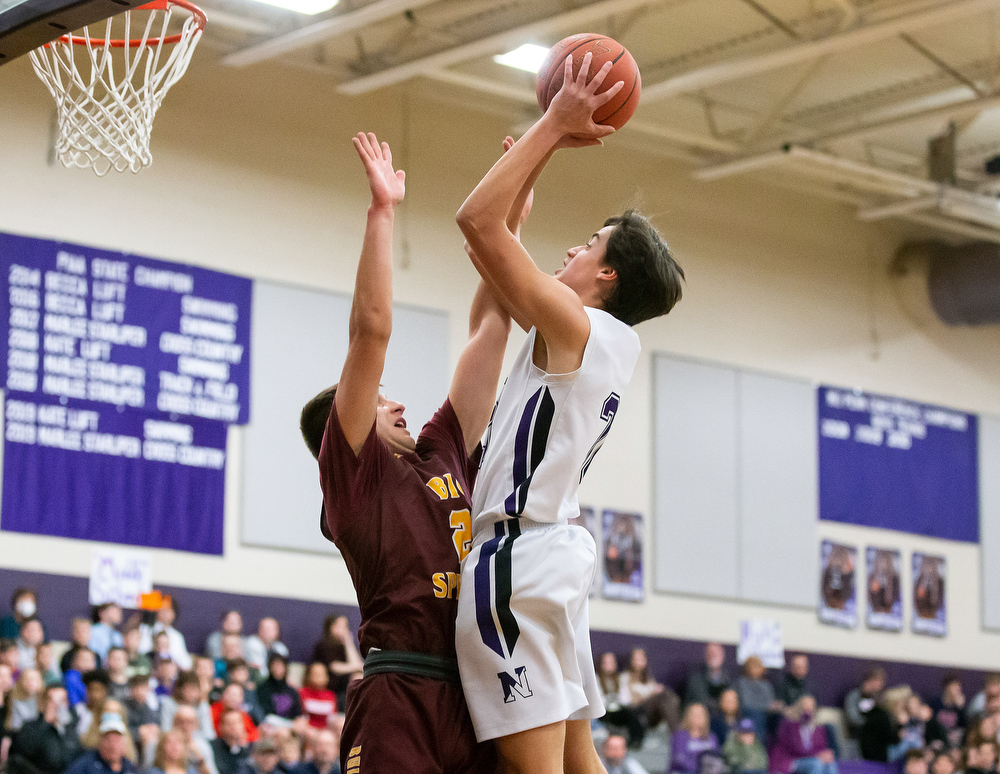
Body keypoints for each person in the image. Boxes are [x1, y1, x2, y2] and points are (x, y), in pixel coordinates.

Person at [453, 52, 683, 774]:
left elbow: (474, 221)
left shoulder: (581, 330)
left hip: (516, 560)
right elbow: (493, 255)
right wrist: (530, 173)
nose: (570, 250)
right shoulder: (595, 341)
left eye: (587, 246)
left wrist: (552, 126)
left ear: (608, 276)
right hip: (553, 553)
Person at [299, 131, 510, 774]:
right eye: (378, 401)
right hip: (400, 691)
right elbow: (372, 330)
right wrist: (383, 213)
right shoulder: (355, 479)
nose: (396, 405)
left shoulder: (440, 452)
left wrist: (509, 222)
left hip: (479, 694)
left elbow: (492, 330)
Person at [7, 683, 82, 774]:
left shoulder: (72, 727)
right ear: (44, 702)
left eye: (62, 700)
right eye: (53, 700)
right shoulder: (31, 726)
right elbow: (24, 751)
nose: (58, 705)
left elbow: (78, 756)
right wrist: (45, 723)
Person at [770, 695, 837, 774]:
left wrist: (825, 754)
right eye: (805, 708)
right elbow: (794, 748)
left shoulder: (818, 729)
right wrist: (817, 756)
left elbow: (821, 747)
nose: (808, 711)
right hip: (791, 760)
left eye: (810, 708)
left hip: (812, 758)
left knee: (830, 763)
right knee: (816, 764)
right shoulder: (789, 725)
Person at [619, 647, 680, 732]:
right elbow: (625, 701)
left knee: (666, 695)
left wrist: (656, 691)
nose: (639, 662)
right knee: (663, 696)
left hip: (654, 715)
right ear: (631, 660)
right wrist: (649, 695)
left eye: (641, 658)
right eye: (636, 659)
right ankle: (678, 733)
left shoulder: (649, 679)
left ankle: (677, 732)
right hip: (637, 713)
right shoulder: (625, 677)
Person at [308, 617, 362, 713]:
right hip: (329, 687)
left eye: (346, 626)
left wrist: (348, 643)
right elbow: (334, 667)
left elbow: (356, 664)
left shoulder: (343, 646)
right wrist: (357, 666)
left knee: (358, 676)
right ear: (332, 627)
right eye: (341, 626)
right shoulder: (323, 644)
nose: (344, 629)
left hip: (344, 689)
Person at [596, 652, 645, 749]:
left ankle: (636, 740)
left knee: (632, 713)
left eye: (611, 663)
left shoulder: (619, 679)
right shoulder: (596, 679)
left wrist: (620, 702)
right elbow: (598, 698)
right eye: (606, 663)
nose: (609, 666)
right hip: (603, 711)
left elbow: (625, 697)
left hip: (618, 710)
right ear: (601, 664)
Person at [64, 710, 139, 774]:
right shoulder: (85, 765)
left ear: (124, 743)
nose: (112, 745)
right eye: (108, 739)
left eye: (116, 739)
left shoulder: (130, 767)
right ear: (100, 741)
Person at [139, 599, 191, 671]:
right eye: (162, 608)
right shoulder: (145, 629)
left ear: (174, 613)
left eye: (168, 609)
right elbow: (141, 652)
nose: (164, 612)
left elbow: (186, 664)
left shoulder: (177, 636)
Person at [161, 672, 215, 741]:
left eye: (194, 689)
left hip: (197, 742)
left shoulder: (203, 706)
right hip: (174, 741)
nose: (191, 693)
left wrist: (190, 738)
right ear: (180, 689)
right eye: (187, 688)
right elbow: (165, 730)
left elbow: (209, 734)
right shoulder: (169, 704)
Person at [170, 705, 219, 774]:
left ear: (196, 724)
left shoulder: (202, 746)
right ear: (174, 723)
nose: (185, 726)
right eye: (181, 721)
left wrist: (199, 758)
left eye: (190, 722)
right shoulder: (166, 745)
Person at [670, 704, 718, 773]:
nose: (697, 717)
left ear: (705, 717)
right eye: (693, 714)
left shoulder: (712, 738)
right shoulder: (679, 736)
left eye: (700, 714)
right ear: (687, 716)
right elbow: (679, 760)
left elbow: (715, 760)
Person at [687, 643, 732, 715]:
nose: (713, 657)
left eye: (716, 654)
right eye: (710, 654)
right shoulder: (696, 680)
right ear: (706, 657)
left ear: (722, 657)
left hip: (723, 718)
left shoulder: (729, 679)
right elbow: (698, 701)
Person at [256, 654, 301, 722]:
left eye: (280, 665)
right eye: (274, 665)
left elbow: (297, 714)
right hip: (271, 725)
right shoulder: (263, 689)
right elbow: (267, 715)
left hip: (291, 725)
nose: (277, 668)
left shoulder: (292, 691)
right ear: (269, 667)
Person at [846, 667, 886, 740]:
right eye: (880, 681)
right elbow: (853, 718)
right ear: (871, 680)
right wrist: (870, 724)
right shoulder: (854, 696)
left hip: (874, 737)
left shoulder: (877, 698)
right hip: (857, 736)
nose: (881, 685)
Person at [929, 676, 967, 750]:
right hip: (939, 738)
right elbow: (932, 724)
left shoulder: (959, 708)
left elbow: (964, 726)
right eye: (954, 687)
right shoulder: (936, 704)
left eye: (959, 687)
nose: (958, 690)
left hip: (954, 741)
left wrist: (961, 709)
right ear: (947, 687)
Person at [210, 709, 250, 774]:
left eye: (237, 723)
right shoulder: (211, 748)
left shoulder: (248, 751)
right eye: (229, 723)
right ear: (221, 727)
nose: (233, 727)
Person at [5, 667, 42, 732]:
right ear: (21, 681)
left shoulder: (43, 700)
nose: (30, 682)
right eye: (27, 679)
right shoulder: (15, 699)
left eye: (33, 679)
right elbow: (15, 724)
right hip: (20, 733)